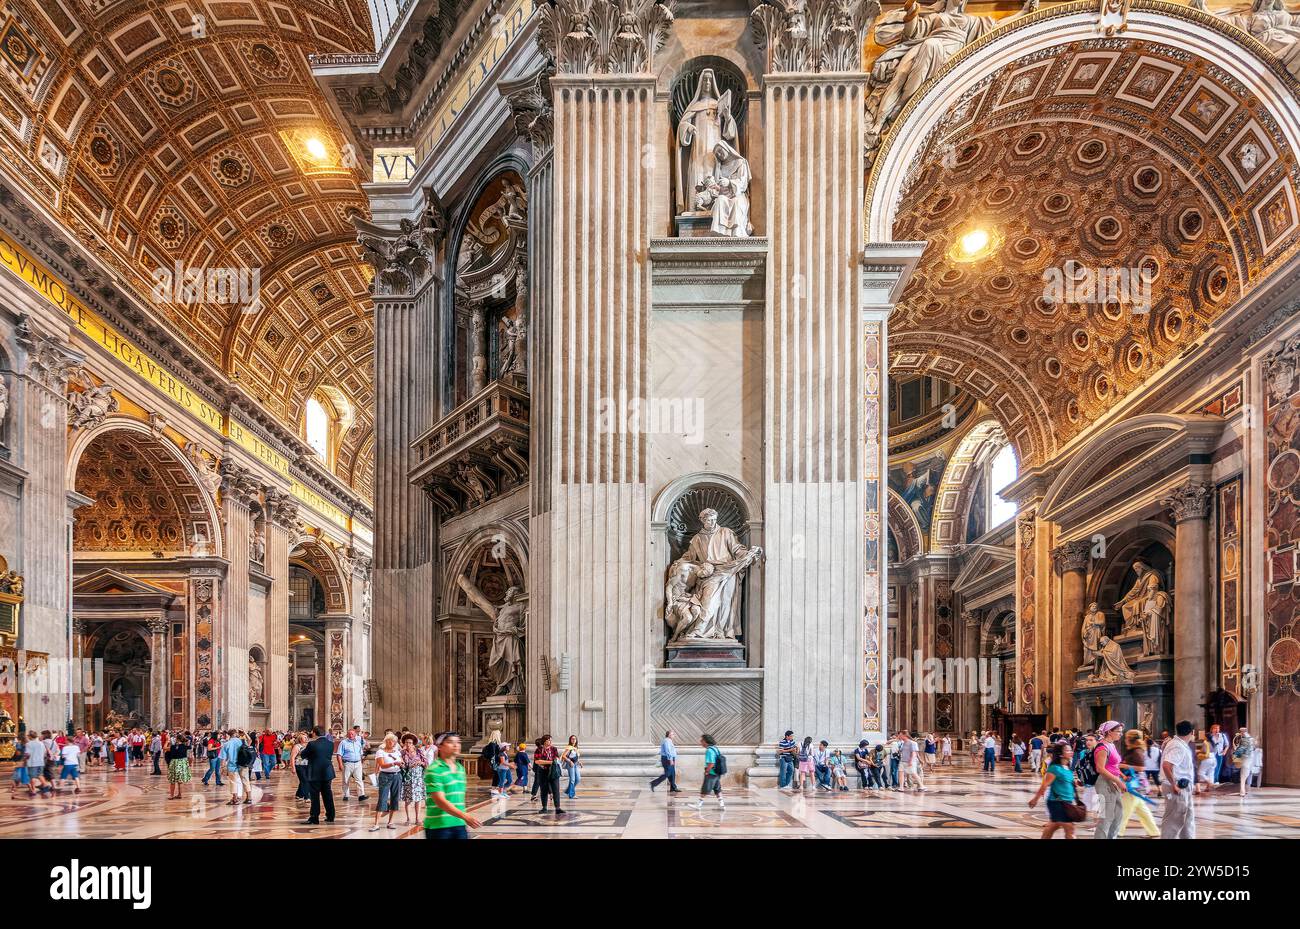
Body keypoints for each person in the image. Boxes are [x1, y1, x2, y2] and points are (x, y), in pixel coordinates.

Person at [424, 732, 480, 839]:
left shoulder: (460, 768)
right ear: (440, 747)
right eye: (450, 742)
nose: (456, 745)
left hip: (459, 823)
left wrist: (463, 818)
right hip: (439, 826)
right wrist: (465, 816)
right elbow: (440, 801)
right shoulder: (434, 769)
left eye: (458, 742)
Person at [1028, 741, 1078, 839]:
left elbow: (1066, 782)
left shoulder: (1067, 767)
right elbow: (1045, 785)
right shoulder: (1054, 768)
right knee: (1069, 829)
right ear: (1060, 754)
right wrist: (1035, 799)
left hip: (1067, 802)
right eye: (1067, 750)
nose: (1071, 752)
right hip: (1057, 802)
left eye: (1071, 749)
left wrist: (1075, 783)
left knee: (1052, 827)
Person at [1116, 729, 1158, 838]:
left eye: (1126, 738)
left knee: (1124, 809)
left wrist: (1124, 766)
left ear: (1130, 739)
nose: (1124, 740)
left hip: (1133, 785)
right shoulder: (1133, 750)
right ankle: (1153, 831)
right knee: (1142, 810)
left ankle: (1118, 831)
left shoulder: (1137, 751)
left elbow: (1141, 768)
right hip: (1135, 785)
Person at [1160, 720, 1197, 839]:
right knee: (1174, 820)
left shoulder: (1177, 743)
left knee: (1187, 818)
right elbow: (1166, 765)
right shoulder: (1178, 746)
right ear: (1192, 732)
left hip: (1183, 786)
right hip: (1177, 787)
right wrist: (1174, 784)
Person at [1092, 721, 1127, 839]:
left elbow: (1112, 765)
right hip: (1104, 782)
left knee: (1118, 815)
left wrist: (1120, 775)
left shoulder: (1111, 744)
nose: (1120, 734)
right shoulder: (1102, 747)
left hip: (1112, 781)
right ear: (1109, 732)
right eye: (1118, 732)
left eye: (1121, 732)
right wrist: (1118, 781)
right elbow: (1100, 768)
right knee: (1106, 817)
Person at [300, 726, 337, 825]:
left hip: (315, 772)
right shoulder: (330, 744)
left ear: (315, 733)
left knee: (315, 795)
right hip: (327, 771)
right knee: (327, 794)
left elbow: (303, 755)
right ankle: (330, 815)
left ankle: (314, 817)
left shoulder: (312, 744)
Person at [370, 732, 403, 832]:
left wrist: (401, 763)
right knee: (382, 798)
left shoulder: (397, 752)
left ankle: (391, 822)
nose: (392, 742)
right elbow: (382, 765)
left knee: (395, 798)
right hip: (385, 776)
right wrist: (394, 763)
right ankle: (376, 824)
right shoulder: (381, 752)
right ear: (386, 741)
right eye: (390, 741)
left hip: (397, 776)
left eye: (393, 741)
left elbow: (401, 761)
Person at [533, 735, 564, 815]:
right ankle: (544, 807)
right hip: (543, 771)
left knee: (556, 789)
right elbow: (537, 761)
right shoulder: (539, 749)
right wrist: (550, 762)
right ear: (544, 741)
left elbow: (556, 759)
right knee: (544, 789)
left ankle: (558, 808)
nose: (550, 742)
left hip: (553, 771)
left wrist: (556, 760)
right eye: (548, 740)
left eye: (551, 740)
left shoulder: (554, 749)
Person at [399, 732, 427, 822]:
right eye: (406, 742)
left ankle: (417, 818)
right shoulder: (402, 753)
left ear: (413, 743)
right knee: (408, 799)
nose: (408, 744)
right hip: (408, 778)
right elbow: (401, 765)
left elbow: (426, 763)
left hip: (418, 778)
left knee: (418, 799)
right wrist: (404, 765)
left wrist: (420, 763)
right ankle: (408, 818)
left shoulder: (419, 751)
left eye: (410, 742)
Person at [335, 726, 368, 802]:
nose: (351, 735)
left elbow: (361, 753)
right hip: (347, 763)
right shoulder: (343, 742)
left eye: (352, 734)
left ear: (355, 734)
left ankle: (361, 795)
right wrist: (340, 764)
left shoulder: (358, 742)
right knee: (346, 780)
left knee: (359, 779)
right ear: (347, 735)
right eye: (349, 734)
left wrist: (361, 762)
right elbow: (339, 754)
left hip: (357, 763)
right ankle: (346, 795)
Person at [695, 734, 725, 810]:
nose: (700, 742)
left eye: (702, 741)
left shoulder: (709, 750)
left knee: (705, 788)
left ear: (706, 741)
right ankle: (722, 805)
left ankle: (698, 805)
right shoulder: (715, 748)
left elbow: (711, 763)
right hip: (717, 772)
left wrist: (707, 771)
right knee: (717, 789)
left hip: (711, 773)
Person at [1232, 727, 1257, 798]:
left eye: (1241, 731)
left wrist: (1235, 752)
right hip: (1250, 758)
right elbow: (1254, 747)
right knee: (1245, 774)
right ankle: (1243, 790)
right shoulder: (1251, 738)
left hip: (1245, 758)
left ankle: (1242, 791)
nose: (1240, 733)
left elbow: (1241, 749)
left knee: (1243, 776)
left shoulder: (1245, 739)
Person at [165, 733, 191, 800]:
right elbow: (190, 756)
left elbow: (164, 748)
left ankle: (171, 795)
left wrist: (167, 741)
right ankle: (180, 794)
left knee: (172, 781)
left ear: (177, 739)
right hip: (183, 763)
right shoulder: (185, 746)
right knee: (180, 781)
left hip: (175, 763)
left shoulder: (173, 747)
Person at [290, 731, 310, 805]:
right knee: (305, 780)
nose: (306, 738)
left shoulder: (309, 745)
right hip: (299, 765)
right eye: (304, 737)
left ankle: (299, 794)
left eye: (306, 737)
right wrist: (293, 767)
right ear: (300, 739)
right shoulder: (297, 746)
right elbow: (292, 757)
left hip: (308, 765)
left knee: (304, 781)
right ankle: (307, 796)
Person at [561, 735, 582, 800]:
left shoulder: (576, 748)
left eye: (575, 739)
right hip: (570, 764)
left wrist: (579, 762)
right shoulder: (569, 748)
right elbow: (564, 756)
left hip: (575, 764)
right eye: (572, 739)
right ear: (570, 740)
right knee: (572, 779)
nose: (573, 740)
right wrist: (570, 761)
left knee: (578, 779)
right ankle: (572, 794)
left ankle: (567, 791)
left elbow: (576, 757)